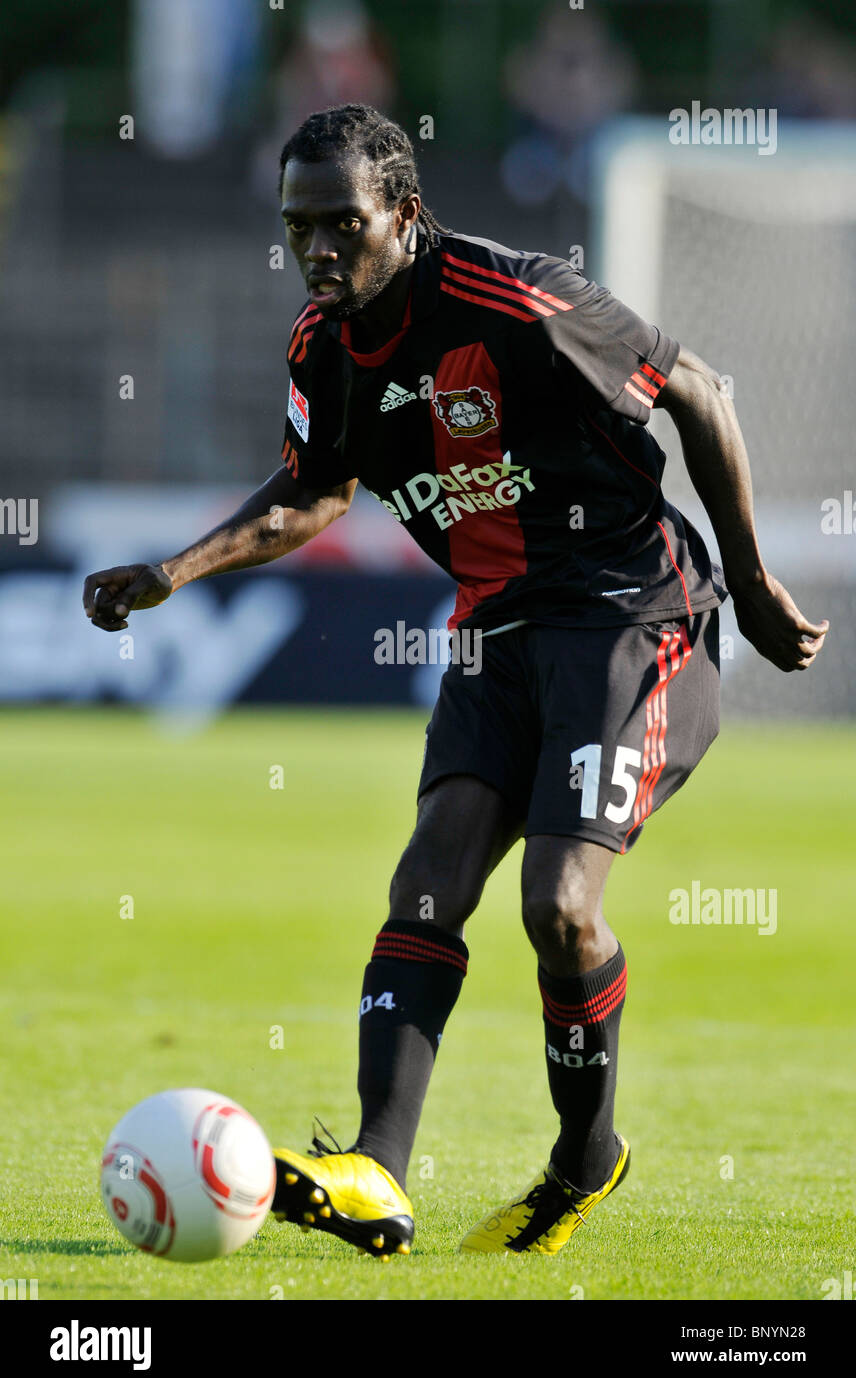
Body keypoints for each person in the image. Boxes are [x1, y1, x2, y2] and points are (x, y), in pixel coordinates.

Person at [83, 104, 828, 1261]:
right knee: (425, 885)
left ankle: (585, 1157)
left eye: (344, 224)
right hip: (495, 632)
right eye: (299, 228)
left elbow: (701, 389)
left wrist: (753, 577)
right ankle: (377, 1169)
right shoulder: (320, 347)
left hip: (632, 614)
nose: (319, 249)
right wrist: (173, 572)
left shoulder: (512, 296)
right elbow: (310, 492)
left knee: (560, 907)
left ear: (405, 214)